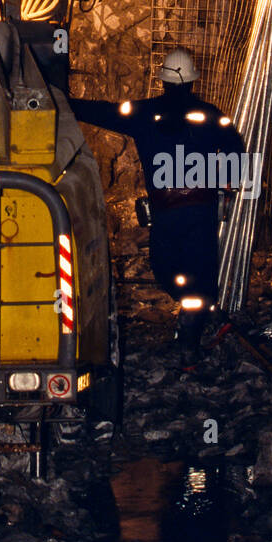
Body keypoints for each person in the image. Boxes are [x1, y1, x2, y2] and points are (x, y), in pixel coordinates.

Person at [69, 47, 246, 368]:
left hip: (167, 214)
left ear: (163, 81)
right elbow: (236, 147)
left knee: (166, 271)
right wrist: (228, 182)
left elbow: (104, 112)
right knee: (198, 275)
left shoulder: (144, 113)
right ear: (192, 82)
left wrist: (63, 102)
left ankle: (189, 343)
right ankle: (201, 319)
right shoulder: (211, 114)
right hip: (200, 213)